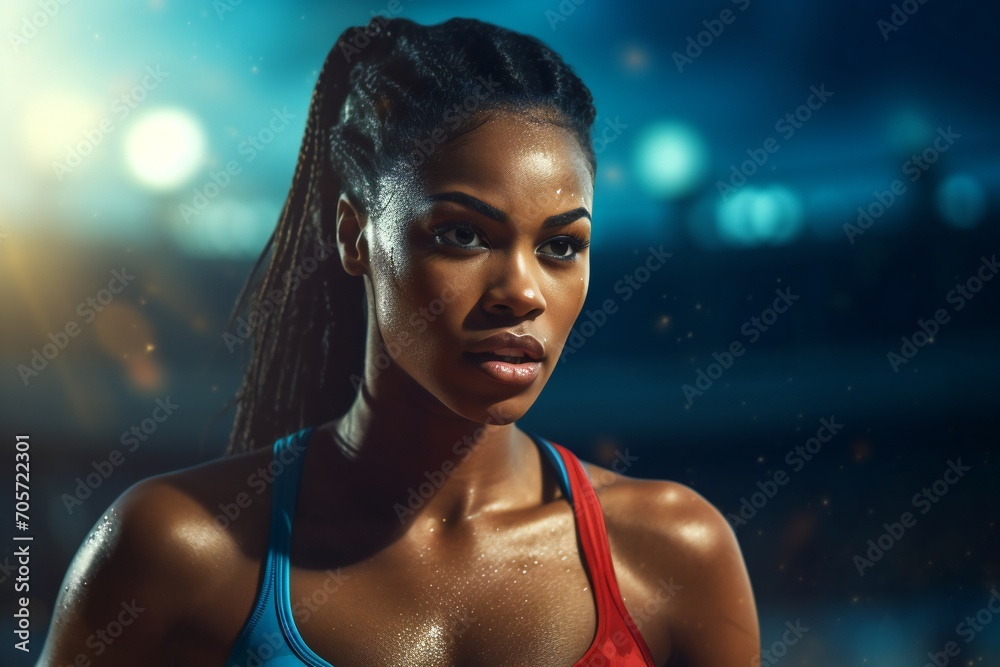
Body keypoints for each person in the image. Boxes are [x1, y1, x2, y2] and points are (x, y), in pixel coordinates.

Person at [39, 17, 759, 666]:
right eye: (463, 234)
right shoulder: (174, 548)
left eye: (562, 246)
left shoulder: (677, 553)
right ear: (355, 235)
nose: (525, 290)